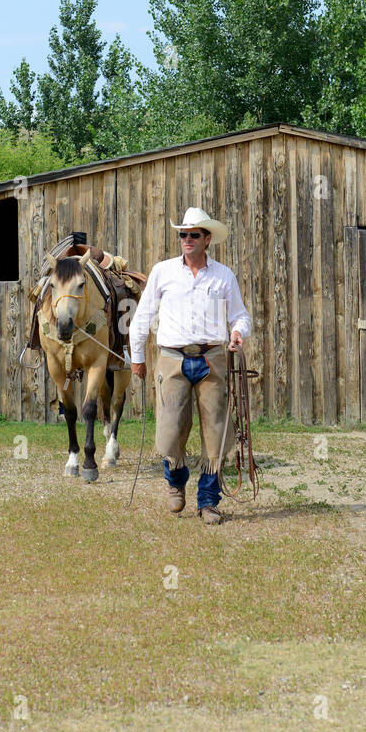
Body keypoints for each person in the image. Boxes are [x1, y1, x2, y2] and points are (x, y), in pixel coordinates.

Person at [129, 207, 252, 524]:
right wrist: (138, 358)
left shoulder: (223, 276)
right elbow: (142, 317)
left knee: (216, 431)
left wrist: (237, 332)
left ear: (207, 239)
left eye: (193, 234)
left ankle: (208, 502)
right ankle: (176, 481)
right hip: (172, 358)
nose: (186, 239)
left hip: (212, 358)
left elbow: (240, 315)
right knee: (171, 429)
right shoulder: (163, 272)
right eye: (182, 234)